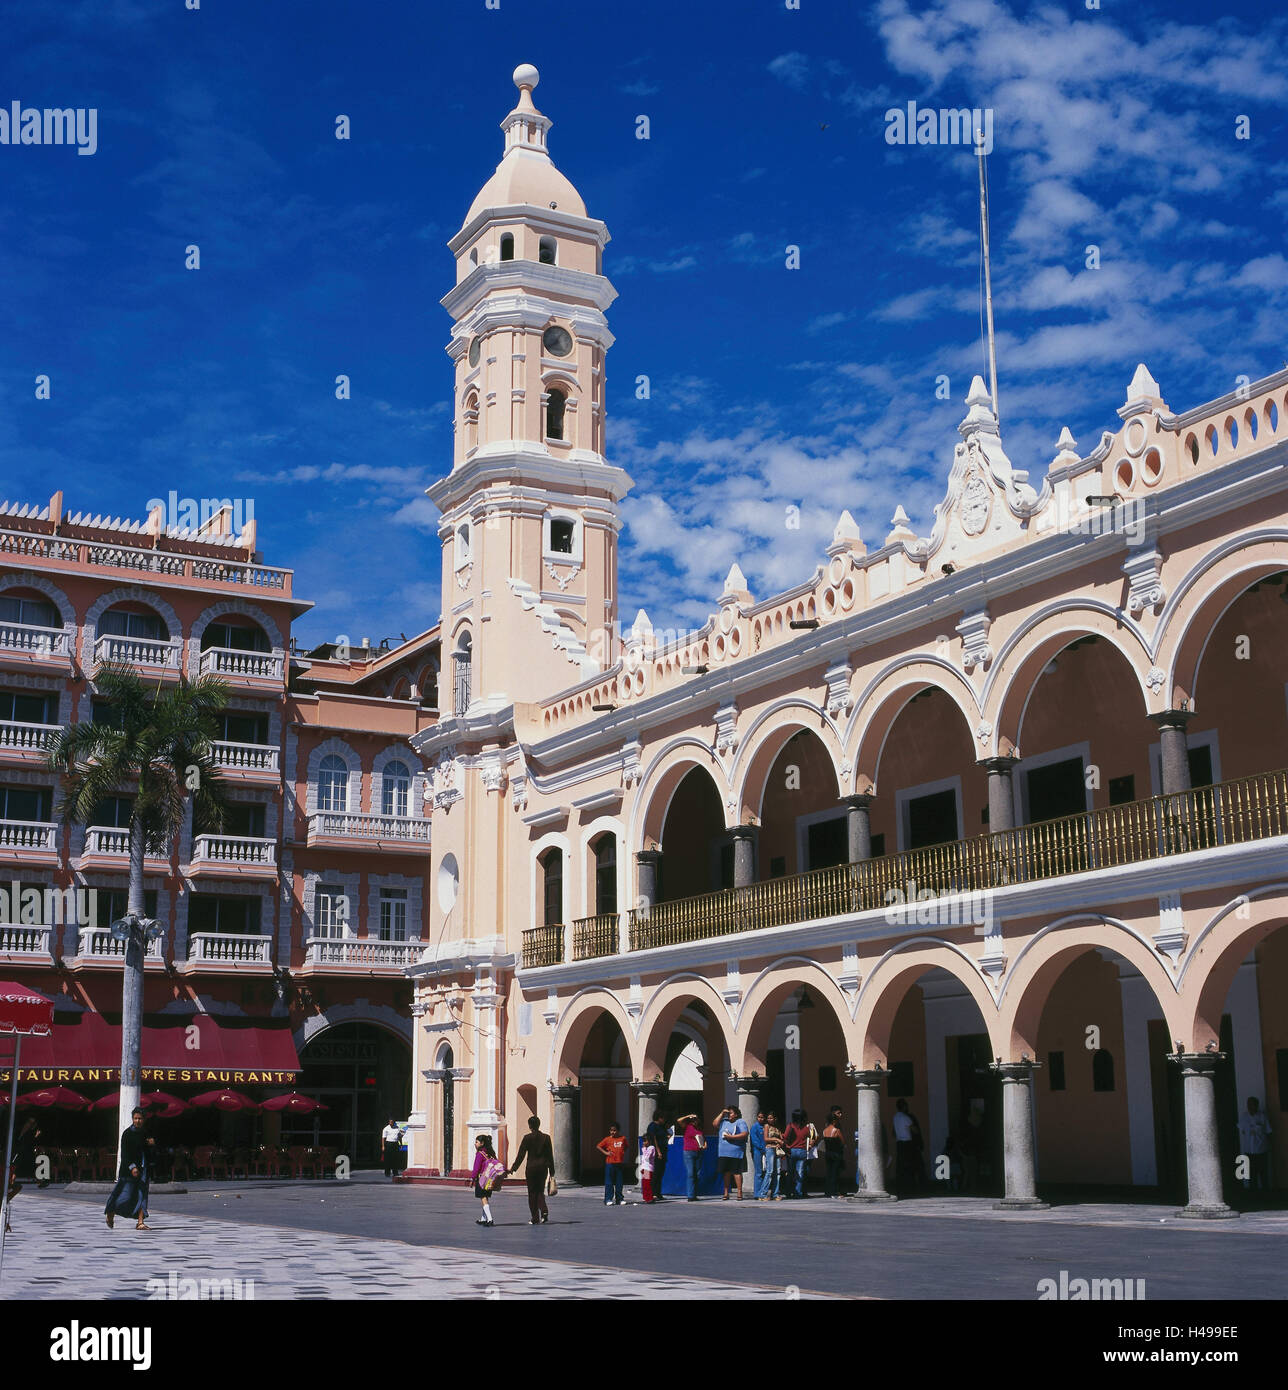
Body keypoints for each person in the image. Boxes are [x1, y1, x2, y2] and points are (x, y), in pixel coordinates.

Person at [105, 1108, 153, 1231]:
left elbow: (149, 1152)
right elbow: (125, 1154)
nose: (138, 1121)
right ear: (133, 1119)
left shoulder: (145, 1133)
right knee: (125, 1197)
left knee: (142, 1196)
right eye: (136, 1118)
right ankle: (111, 1211)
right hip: (129, 1172)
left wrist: (152, 1145)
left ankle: (140, 1222)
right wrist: (133, 1167)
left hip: (144, 1170)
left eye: (140, 1118)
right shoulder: (127, 1134)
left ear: (144, 1119)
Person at [507, 1115, 554, 1224]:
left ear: (529, 1126)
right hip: (543, 1168)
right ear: (539, 1124)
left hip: (531, 1168)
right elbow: (549, 1156)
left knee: (532, 1193)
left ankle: (535, 1217)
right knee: (540, 1191)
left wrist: (513, 1168)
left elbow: (521, 1155)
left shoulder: (527, 1138)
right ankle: (544, 1211)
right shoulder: (546, 1138)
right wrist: (552, 1172)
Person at [712, 1104, 749, 1200]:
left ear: (736, 1114)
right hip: (724, 1152)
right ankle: (725, 1192)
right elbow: (714, 1124)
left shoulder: (740, 1122)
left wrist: (731, 1137)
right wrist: (722, 1114)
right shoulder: (724, 1121)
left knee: (736, 1172)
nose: (729, 1115)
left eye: (731, 1113)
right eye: (728, 1113)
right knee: (726, 1172)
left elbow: (744, 1134)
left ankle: (739, 1192)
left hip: (736, 1152)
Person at [468, 1134, 504, 1226]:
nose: (475, 1144)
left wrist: (472, 1178)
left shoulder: (480, 1154)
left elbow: (476, 1167)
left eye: (476, 1142)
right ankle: (483, 1219)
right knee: (485, 1198)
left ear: (482, 1143)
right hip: (489, 1179)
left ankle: (490, 1219)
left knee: (483, 1198)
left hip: (482, 1179)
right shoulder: (491, 1153)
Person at [1238, 1097, 1272, 1192]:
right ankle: (1254, 1196)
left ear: (1256, 1105)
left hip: (1261, 1150)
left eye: (1252, 1104)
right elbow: (1243, 1131)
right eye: (1248, 1104)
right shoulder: (1244, 1117)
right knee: (1251, 1174)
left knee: (1263, 1174)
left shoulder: (1262, 1117)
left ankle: (1266, 1196)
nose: (1249, 1106)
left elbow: (1268, 1131)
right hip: (1249, 1151)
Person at [892, 1099, 923, 1193]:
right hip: (908, 1144)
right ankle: (910, 1187)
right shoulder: (906, 1117)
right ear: (904, 1107)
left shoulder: (895, 1117)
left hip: (899, 1144)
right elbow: (915, 1130)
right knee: (910, 1166)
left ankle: (901, 1187)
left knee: (901, 1166)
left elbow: (893, 1132)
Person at [783, 1109, 812, 1199]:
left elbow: (785, 1137)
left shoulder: (790, 1126)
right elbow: (810, 1137)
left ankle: (788, 1192)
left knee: (790, 1172)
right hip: (802, 1151)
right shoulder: (807, 1128)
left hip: (792, 1150)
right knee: (800, 1173)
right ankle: (798, 1193)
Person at [597, 1122, 627, 1205]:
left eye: (614, 1130)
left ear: (618, 1131)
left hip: (619, 1163)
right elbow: (599, 1146)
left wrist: (622, 1152)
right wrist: (606, 1153)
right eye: (611, 1130)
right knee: (609, 1182)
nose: (612, 1132)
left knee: (619, 1183)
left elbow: (626, 1146)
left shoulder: (623, 1138)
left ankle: (619, 1199)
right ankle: (608, 1199)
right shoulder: (607, 1139)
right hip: (610, 1163)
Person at [644, 1110, 671, 1200]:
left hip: (664, 1151)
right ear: (659, 1118)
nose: (664, 1120)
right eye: (663, 1118)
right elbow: (653, 1139)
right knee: (655, 1173)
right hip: (655, 1152)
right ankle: (653, 1193)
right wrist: (658, 1151)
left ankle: (658, 1193)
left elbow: (666, 1134)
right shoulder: (652, 1126)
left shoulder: (662, 1127)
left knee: (660, 1172)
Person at [680, 1113, 705, 1200]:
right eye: (693, 1120)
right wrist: (688, 1116)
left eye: (696, 1120)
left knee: (697, 1174)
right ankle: (690, 1196)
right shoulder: (687, 1126)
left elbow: (703, 1139)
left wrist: (705, 1144)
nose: (694, 1121)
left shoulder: (699, 1128)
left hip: (698, 1152)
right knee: (690, 1173)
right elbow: (679, 1120)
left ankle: (694, 1194)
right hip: (688, 1152)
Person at [762, 1112, 786, 1200]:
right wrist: (776, 1139)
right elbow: (765, 1138)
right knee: (770, 1171)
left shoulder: (777, 1128)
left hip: (777, 1150)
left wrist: (780, 1142)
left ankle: (775, 1193)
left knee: (778, 1172)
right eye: (768, 1118)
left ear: (775, 1119)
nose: (769, 1120)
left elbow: (782, 1138)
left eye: (771, 1118)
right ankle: (763, 1193)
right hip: (769, 1149)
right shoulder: (766, 1126)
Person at [822, 1115, 845, 1197]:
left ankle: (828, 1191)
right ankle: (835, 1192)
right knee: (835, 1173)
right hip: (836, 1154)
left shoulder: (824, 1131)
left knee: (829, 1172)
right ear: (834, 1121)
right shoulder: (836, 1130)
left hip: (828, 1154)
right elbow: (843, 1142)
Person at [749, 1111, 767, 1199]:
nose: (761, 1119)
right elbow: (755, 1141)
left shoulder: (766, 1126)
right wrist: (763, 1149)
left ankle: (763, 1191)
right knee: (759, 1172)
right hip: (757, 1151)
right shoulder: (754, 1127)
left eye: (762, 1117)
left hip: (766, 1151)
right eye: (759, 1117)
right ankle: (757, 1193)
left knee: (766, 1172)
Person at [640, 1133, 658, 1203]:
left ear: (650, 1141)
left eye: (646, 1141)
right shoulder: (645, 1148)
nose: (644, 1142)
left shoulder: (651, 1148)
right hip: (644, 1168)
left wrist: (644, 1148)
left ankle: (649, 1198)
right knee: (644, 1184)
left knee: (647, 1184)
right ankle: (646, 1197)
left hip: (648, 1168)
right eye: (643, 1141)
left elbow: (647, 1157)